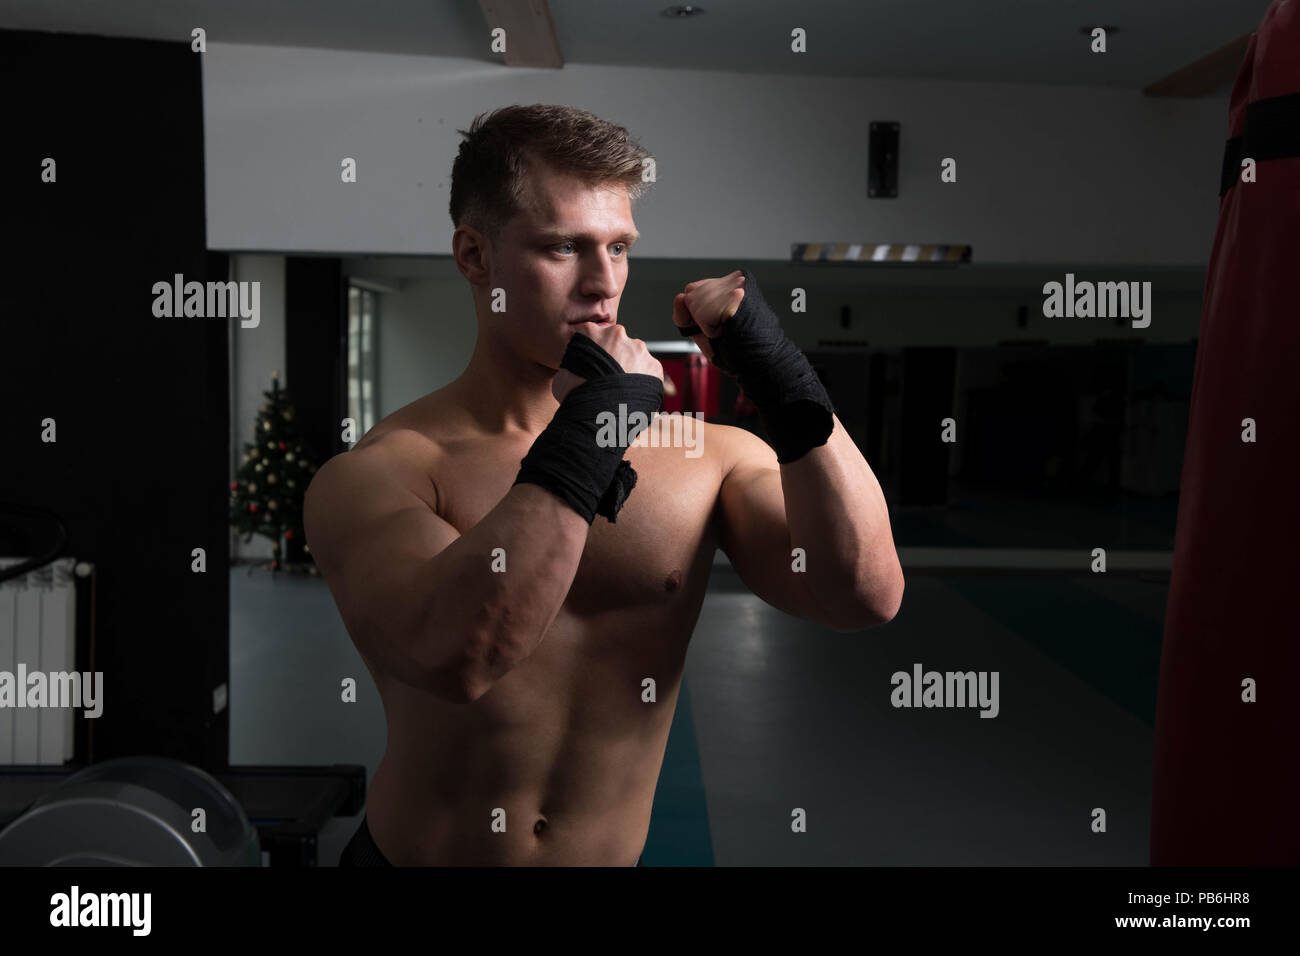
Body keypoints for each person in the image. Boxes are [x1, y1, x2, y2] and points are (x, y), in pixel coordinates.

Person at [304, 104, 903, 866]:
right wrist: (597, 429)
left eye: (619, 246)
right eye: (564, 247)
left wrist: (785, 382)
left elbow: (863, 595)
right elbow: (461, 655)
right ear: (473, 255)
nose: (603, 282)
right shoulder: (385, 471)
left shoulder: (706, 457)